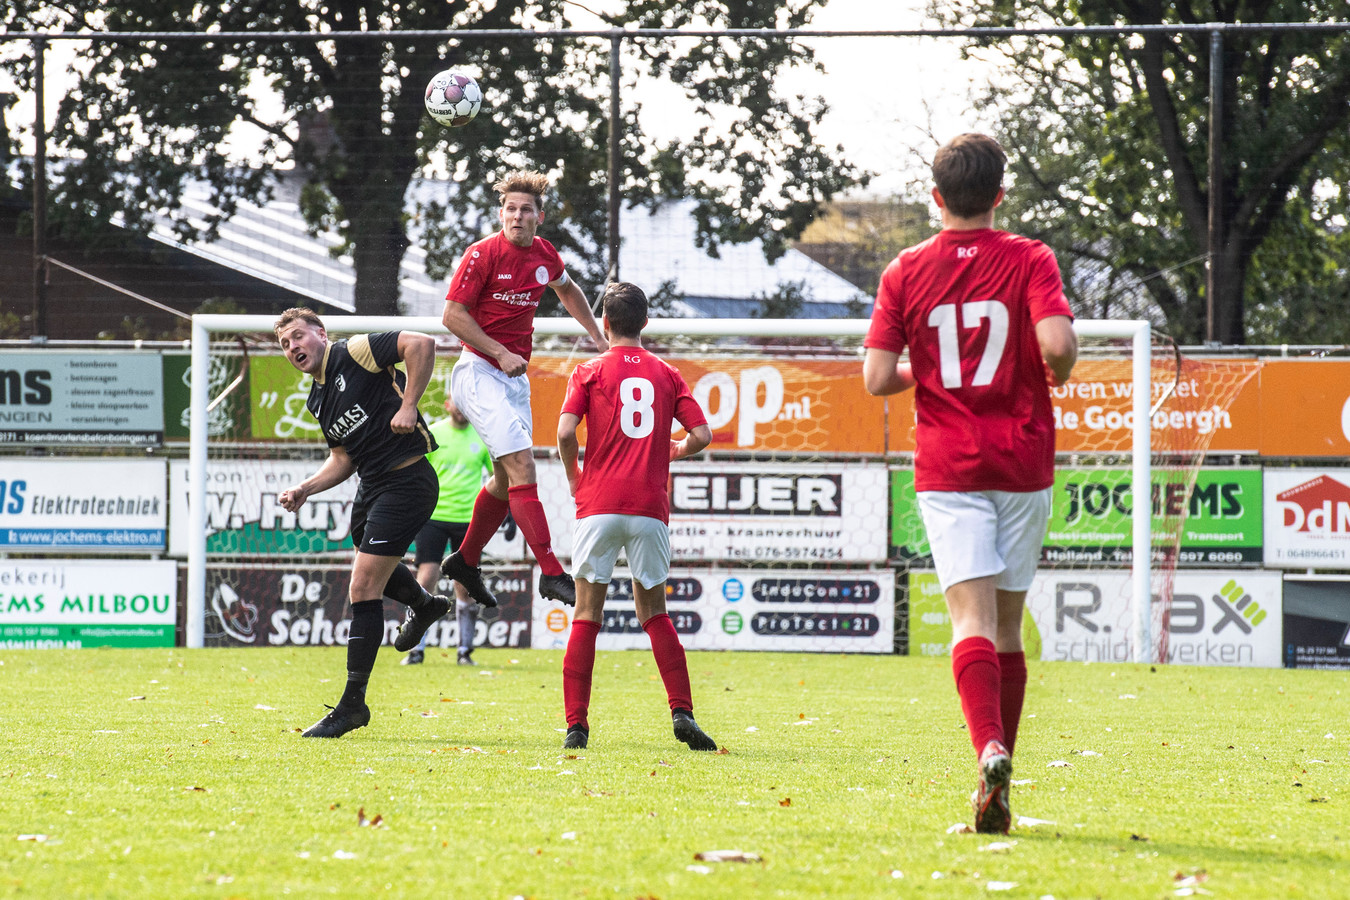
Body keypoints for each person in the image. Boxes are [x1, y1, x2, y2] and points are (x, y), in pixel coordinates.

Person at [861, 134, 1078, 834]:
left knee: (970, 624)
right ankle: (1001, 769)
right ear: (1000, 195)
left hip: (949, 465)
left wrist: (924, 374)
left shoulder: (905, 269)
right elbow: (1056, 348)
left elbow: (873, 378)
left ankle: (986, 749)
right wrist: (1061, 370)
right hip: (1020, 460)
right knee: (1009, 629)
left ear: (935, 197)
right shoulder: (1030, 258)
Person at [274, 308, 452, 738]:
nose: (293, 347)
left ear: (321, 333)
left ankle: (352, 705)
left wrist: (410, 404)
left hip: (407, 480)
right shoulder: (317, 400)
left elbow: (422, 344)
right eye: (285, 344)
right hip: (371, 486)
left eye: (299, 336)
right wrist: (306, 489)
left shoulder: (353, 350)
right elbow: (342, 459)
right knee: (371, 569)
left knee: (363, 587)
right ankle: (426, 605)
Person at [555, 282, 717, 752]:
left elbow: (566, 430)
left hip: (599, 504)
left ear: (605, 324)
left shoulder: (588, 369)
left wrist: (573, 477)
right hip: (649, 508)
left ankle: (576, 726)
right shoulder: (666, 373)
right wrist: (676, 451)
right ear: (645, 323)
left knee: (587, 614)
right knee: (655, 614)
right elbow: (702, 434)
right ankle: (682, 711)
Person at [439, 169, 608, 610]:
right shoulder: (481, 255)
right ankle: (552, 573)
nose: (517, 216)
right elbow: (452, 316)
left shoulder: (544, 254)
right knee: (523, 468)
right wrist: (498, 351)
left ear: (539, 217)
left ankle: (465, 561)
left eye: (525, 210)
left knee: (502, 479)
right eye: (510, 209)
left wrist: (598, 337)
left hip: (513, 380)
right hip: (478, 372)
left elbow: (568, 290)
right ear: (501, 214)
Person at [403, 396, 494, 667]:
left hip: (468, 520)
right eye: (457, 402)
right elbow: (417, 470)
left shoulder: (481, 437)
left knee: (464, 586)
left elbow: (494, 477)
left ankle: (464, 651)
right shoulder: (435, 433)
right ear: (447, 404)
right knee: (426, 579)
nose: (461, 408)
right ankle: (415, 648)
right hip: (433, 517)